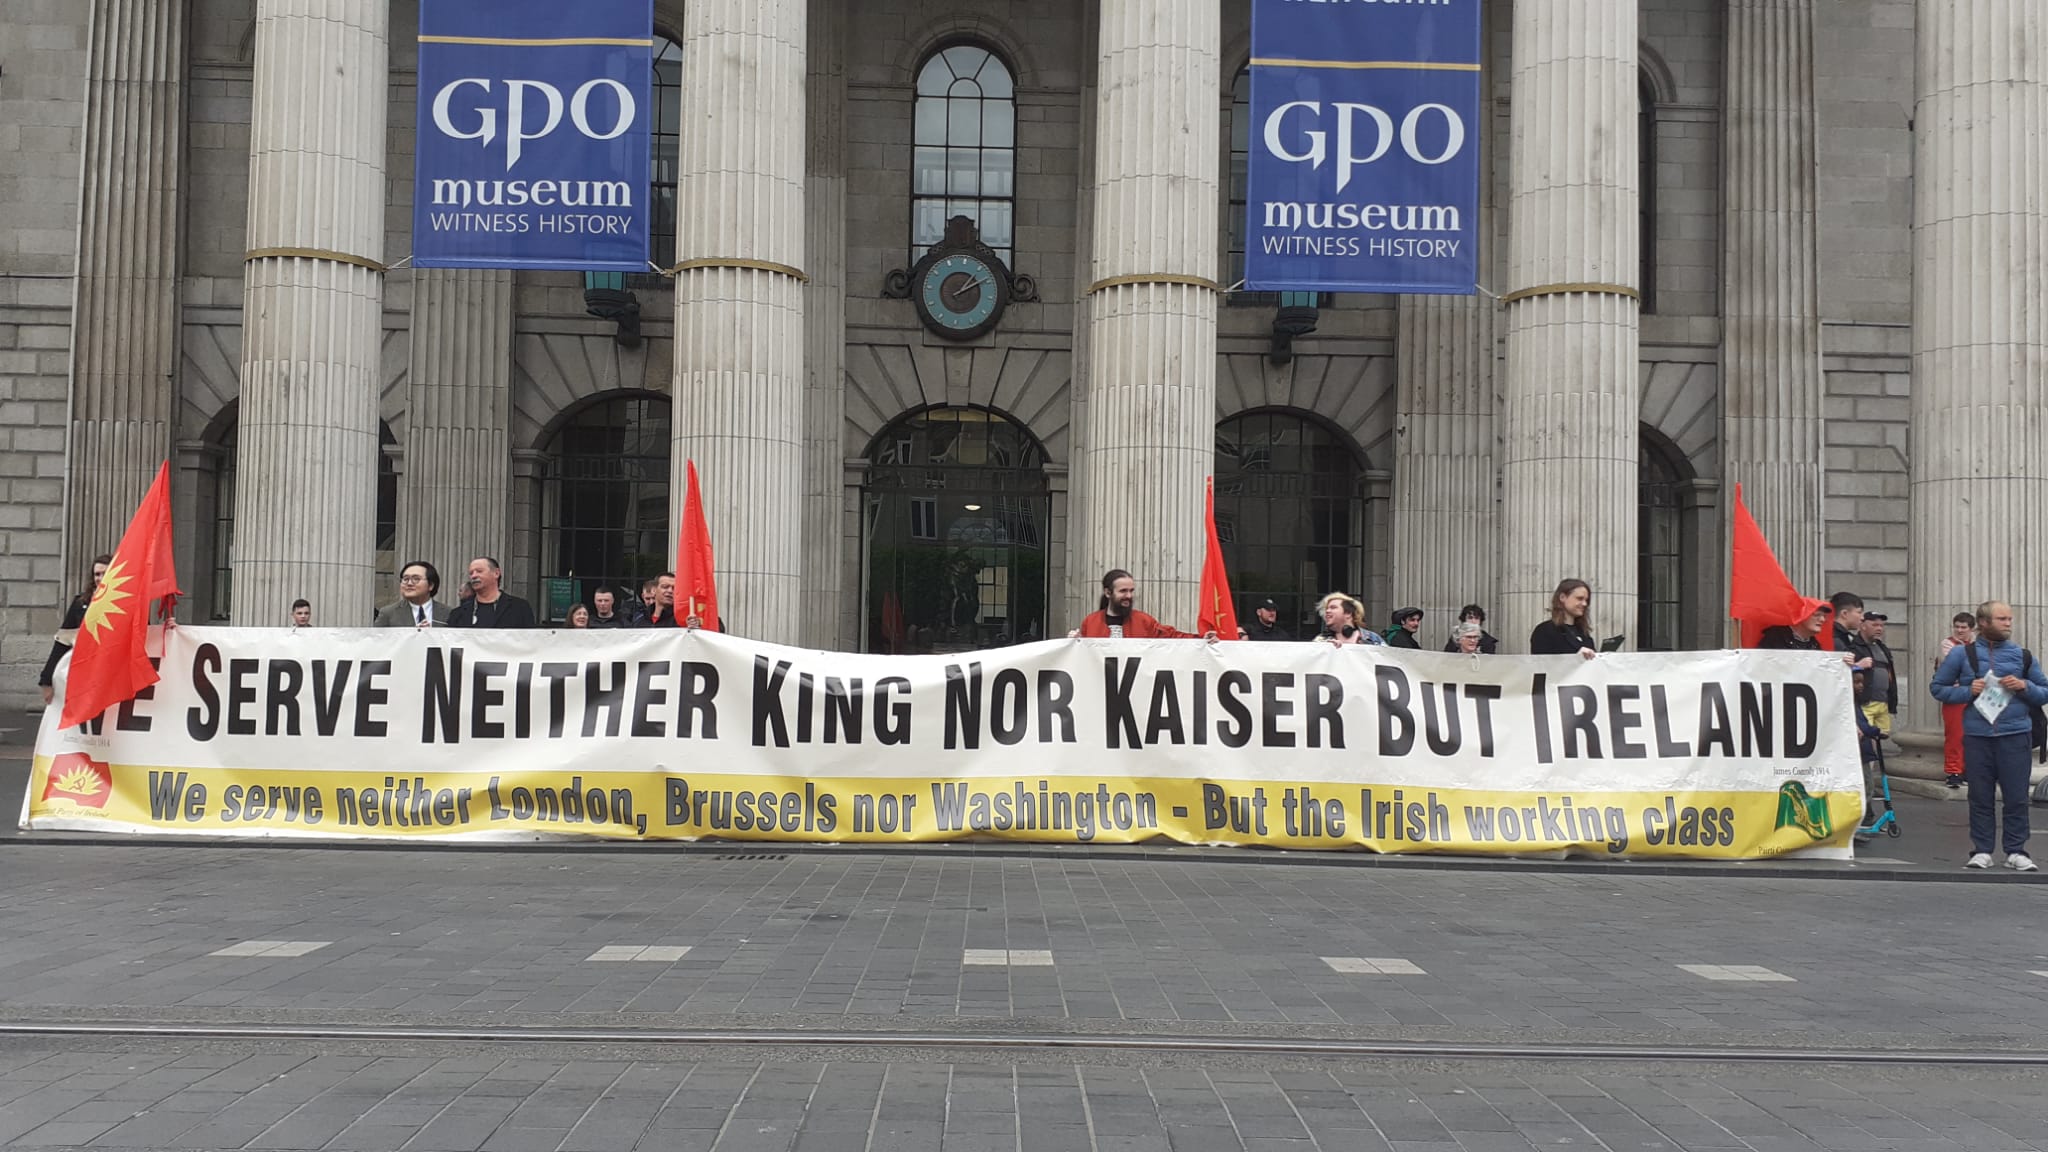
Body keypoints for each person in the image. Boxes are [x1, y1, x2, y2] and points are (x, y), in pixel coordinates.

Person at [1929, 600, 2048, 871]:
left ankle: (2016, 851)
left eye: (2009, 619)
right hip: (1977, 736)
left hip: (2016, 735)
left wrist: (2024, 685)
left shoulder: (2023, 655)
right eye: (2002, 619)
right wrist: (1967, 690)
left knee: (2016, 797)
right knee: (1980, 797)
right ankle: (1982, 850)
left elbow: (2044, 690)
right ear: (1983, 623)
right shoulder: (1962, 655)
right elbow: (1938, 688)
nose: (2008, 624)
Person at [39, 553, 110, 706]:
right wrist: (46, 679)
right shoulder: (80, 603)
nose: (101, 578)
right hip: (83, 673)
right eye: (97, 574)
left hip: (112, 674)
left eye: (106, 573)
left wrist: (168, 632)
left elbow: (145, 635)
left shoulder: (127, 604)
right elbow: (63, 640)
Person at [1070, 569, 1212, 639]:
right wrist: (1073, 643)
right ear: (1108, 593)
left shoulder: (1144, 621)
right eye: (1123, 591)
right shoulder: (1090, 622)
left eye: (1131, 591)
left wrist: (1201, 639)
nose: (1129, 596)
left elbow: (1173, 637)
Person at [1938, 611, 1976, 789]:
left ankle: (1968, 769)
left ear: (1971, 629)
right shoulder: (1948, 644)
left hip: (1974, 694)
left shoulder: (1978, 644)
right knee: (1955, 735)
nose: (1959, 630)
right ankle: (1954, 771)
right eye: (1957, 627)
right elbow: (1954, 667)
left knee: (1974, 734)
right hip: (1954, 695)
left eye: (1963, 627)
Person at [448, 557, 537, 629]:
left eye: (479, 571)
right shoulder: (458, 613)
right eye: (471, 573)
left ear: (496, 573)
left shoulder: (519, 608)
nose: (474, 576)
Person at [1529, 579, 1598, 659]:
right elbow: (1541, 666)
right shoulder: (1544, 631)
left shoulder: (1584, 633)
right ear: (1562, 597)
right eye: (1580, 598)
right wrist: (1576, 659)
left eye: (1586, 600)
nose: (1584, 604)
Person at [375, 561, 452, 628]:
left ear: (431, 585)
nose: (409, 583)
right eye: (405, 579)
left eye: (416, 579)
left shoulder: (448, 613)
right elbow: (376, 641)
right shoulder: (388, 613)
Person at [1859, 612, 1900, 738]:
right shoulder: (1855, 647)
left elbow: (1890, 674)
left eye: (1882, 626)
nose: (1879, 629)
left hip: (1883, 702)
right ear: (1863, 625)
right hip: (1865, 702)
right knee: (1865, 736)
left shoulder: (1883, 648)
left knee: (1882, 735)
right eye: (1875, 625)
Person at [1315, 592, 1383, 646]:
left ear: (1348, 613)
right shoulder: (1321, 640)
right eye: (1327, 608)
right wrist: (1326, 648)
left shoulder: (1373, 639)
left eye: (1333, 607)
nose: (1327, 611)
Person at [1831, 592, 1874, 672]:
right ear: (1844, 613)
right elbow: (1835, 670)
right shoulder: (1834, 638)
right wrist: (1858, 666)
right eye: (1859, 612)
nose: (1862, 618)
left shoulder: (1845, 636)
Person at [1757, 604, 1829, 651]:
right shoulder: (1776, 637)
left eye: (1824, 616)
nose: (1822, 620)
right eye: (1816, 615)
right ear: (1801, 616)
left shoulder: (1815, 644)